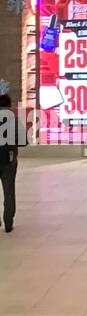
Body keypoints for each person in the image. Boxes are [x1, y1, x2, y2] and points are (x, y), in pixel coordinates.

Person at [0, 92, 24, 233]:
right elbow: (23, 141)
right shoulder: (13, 119)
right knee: (9, 191)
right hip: (8, 160)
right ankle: (8, 222)